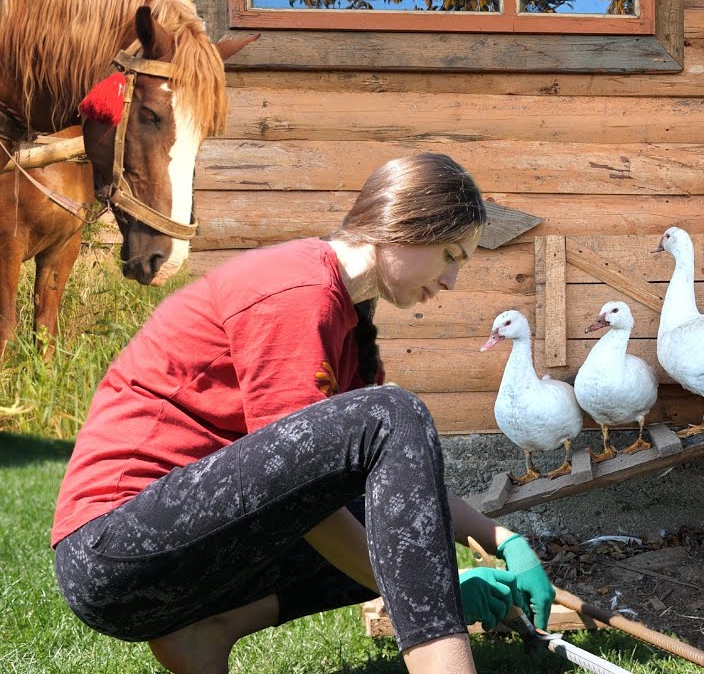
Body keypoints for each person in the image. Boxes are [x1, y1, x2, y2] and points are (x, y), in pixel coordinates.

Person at [50, 153, 554, 674]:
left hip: (179, 555)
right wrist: (437, 590)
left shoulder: (349, 322)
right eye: (449, 254)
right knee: (394, 415)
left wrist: (505, 540)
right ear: (402, 225)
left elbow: (396, 487)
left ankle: (203, 631)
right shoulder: (297, 289)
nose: (450, 281)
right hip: (112, 546)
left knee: (395, 503)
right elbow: (306, 499)